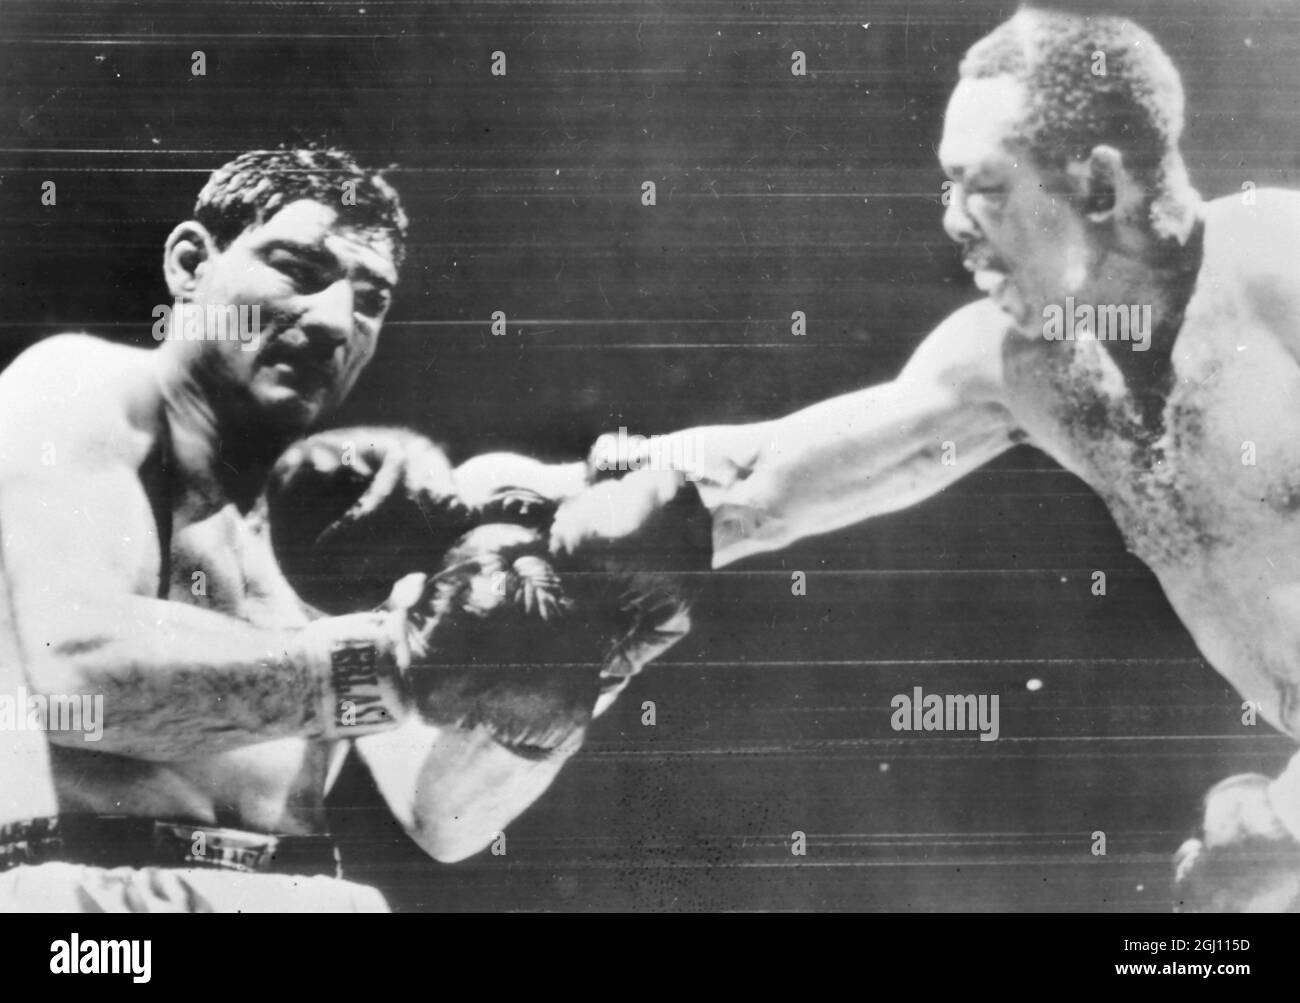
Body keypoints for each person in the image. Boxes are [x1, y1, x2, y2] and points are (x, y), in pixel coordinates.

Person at [555, 7, 1300, 909]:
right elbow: (763, 480)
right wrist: (523, 493)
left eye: (983, 186)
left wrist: (1287, 817)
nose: (952, 222)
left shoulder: (1277, 266)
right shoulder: (1021, 362)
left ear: (1100, 187)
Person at [0, 147, 689, 912]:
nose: (334, 319)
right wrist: (391, 659)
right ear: (192, 262)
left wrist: (570, 666)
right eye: (298, 267)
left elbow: (445, 817)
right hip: (97, 907)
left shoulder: (337, 519)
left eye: (370, 297)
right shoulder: (81, 388)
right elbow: (77, 674)